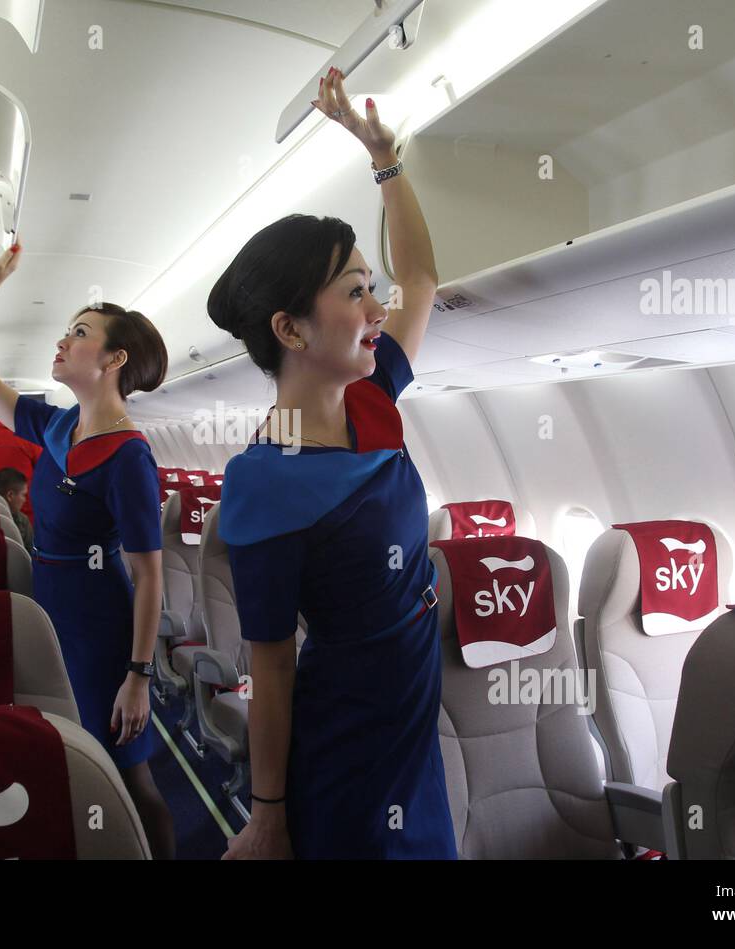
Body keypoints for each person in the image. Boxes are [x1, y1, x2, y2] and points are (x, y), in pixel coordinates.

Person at [213, 69, 454, 859]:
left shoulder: (372, 398)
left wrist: (383, 159)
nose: (376, 308)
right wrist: (269, 815)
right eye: (355, 292)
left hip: (413, 728)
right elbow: (272, 664)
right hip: (347, 740)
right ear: (290, 328)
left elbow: (421, 279)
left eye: (368, 287)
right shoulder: (263, 481)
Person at [0, 247, 177, 859]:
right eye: (65, 332)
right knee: (72, 760)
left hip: (99, 625)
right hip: (50, 610)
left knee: (130, 776)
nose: (62, 342)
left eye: (79, 334)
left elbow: (149, 576)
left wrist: (138, 677)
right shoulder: (57, 426)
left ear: (115, 359)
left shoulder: (129, 456)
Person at [0, 466, 33, 549]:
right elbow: (30, 556)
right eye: (23, 495)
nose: (25, 500)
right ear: (10, 495)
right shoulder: (23, 522)